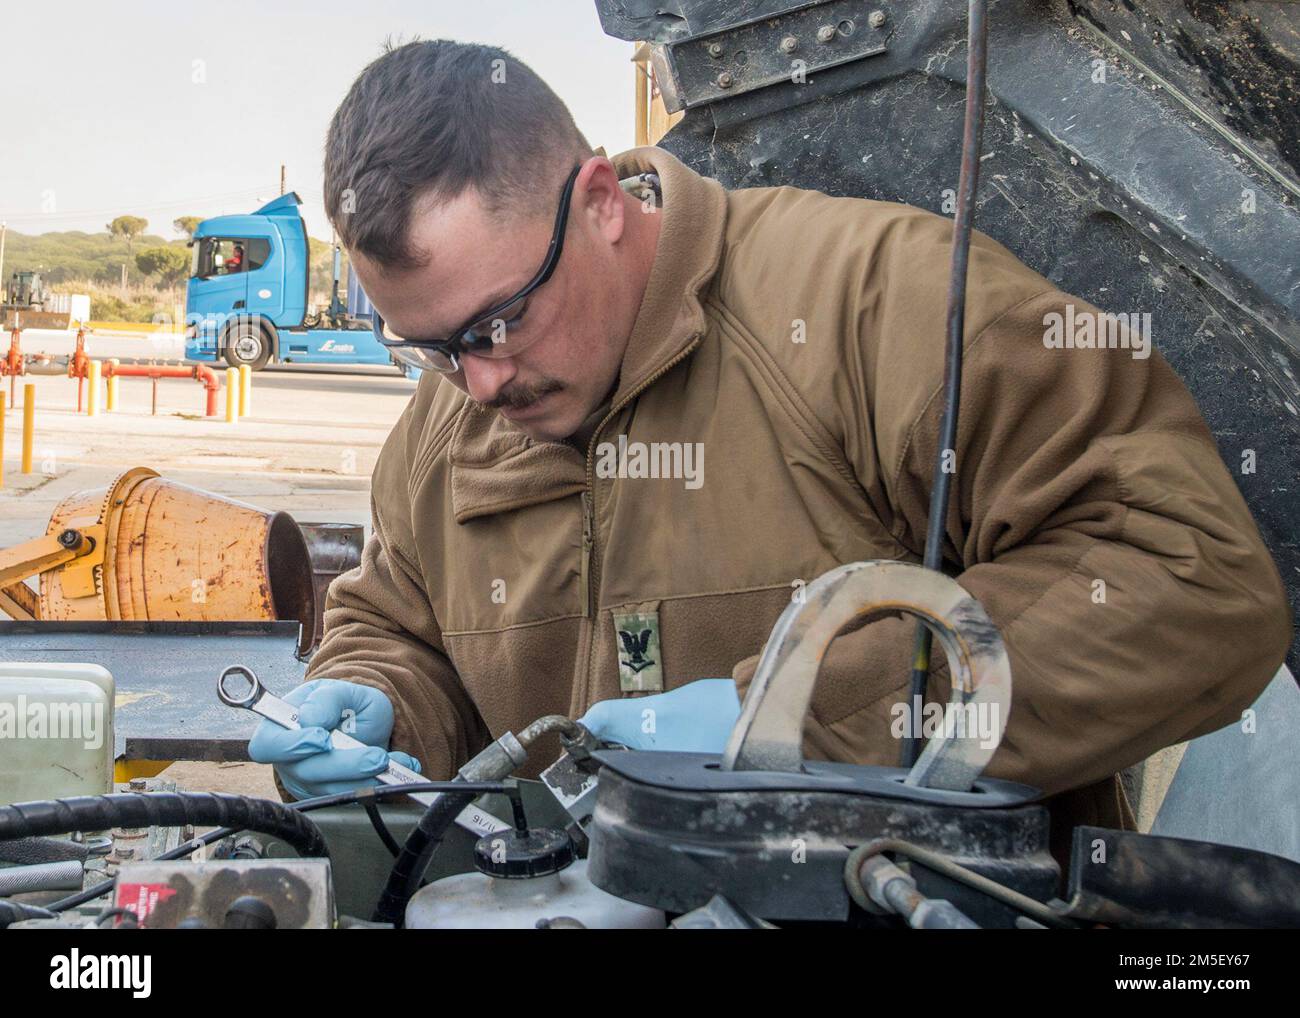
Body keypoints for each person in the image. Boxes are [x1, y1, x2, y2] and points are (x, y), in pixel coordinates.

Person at [249, 40, 1290, 852]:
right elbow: (402, 628)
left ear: (601, 204)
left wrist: (790, 718)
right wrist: (378, 697)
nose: (477, 383)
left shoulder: (877, 305)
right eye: (430, 347)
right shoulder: (445, 427)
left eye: (496, 323)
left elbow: (1192, 583)